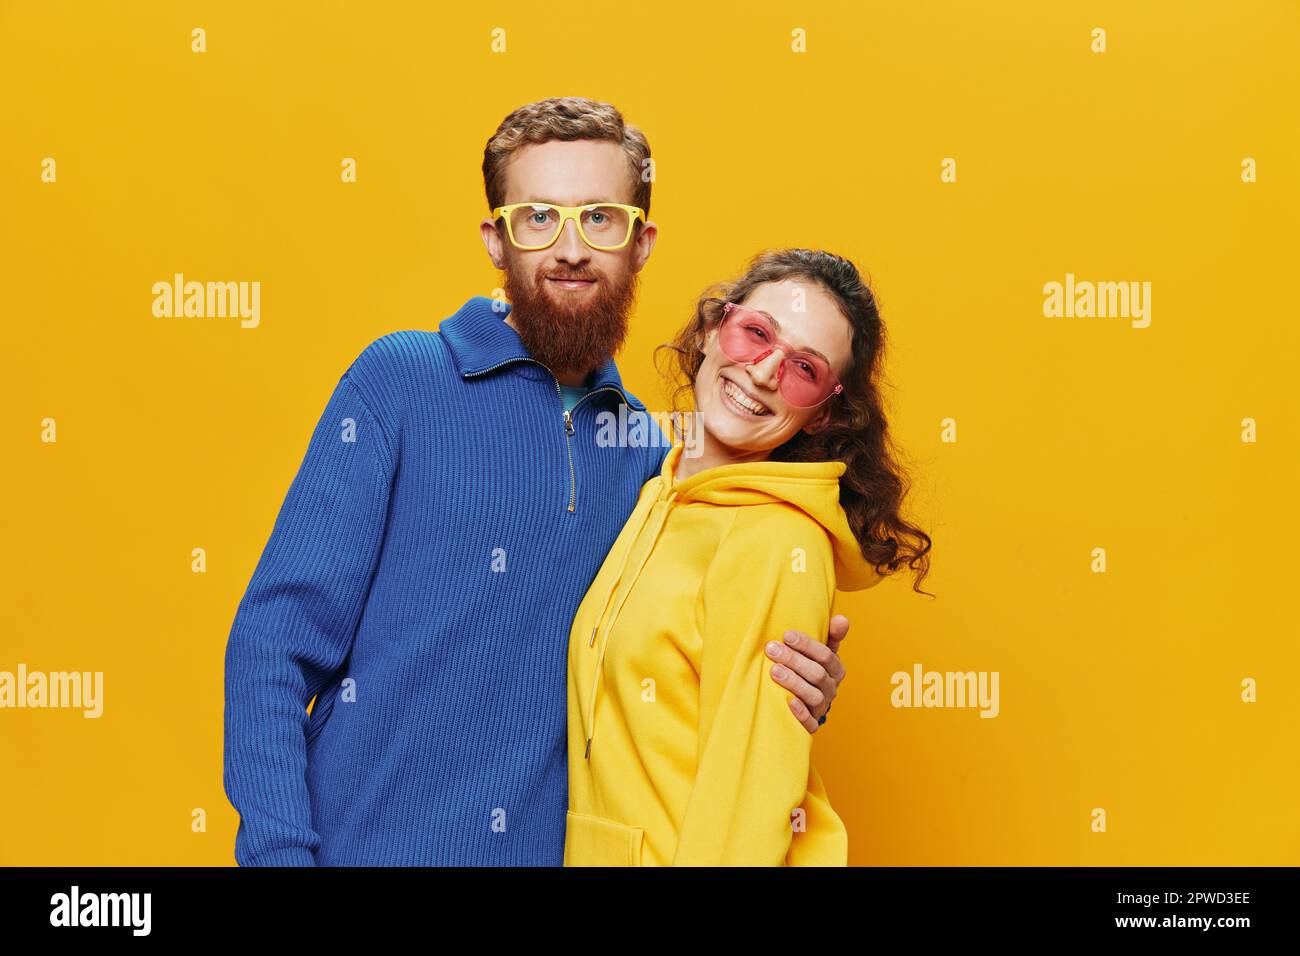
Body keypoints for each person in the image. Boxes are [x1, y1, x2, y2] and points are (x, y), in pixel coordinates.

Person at [222, 98, 860, 866]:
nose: (569, 249)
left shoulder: (653, 466)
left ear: (641, 243)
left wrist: (781, 687)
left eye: (600, 219)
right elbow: (272, 646)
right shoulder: (399, 383)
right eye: (537, 219)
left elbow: (676, 663)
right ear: (497, 240)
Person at [564, 250, 932, 866]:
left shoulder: (778, 542)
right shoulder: (658, 489)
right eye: (755, 334)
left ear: (827, 413)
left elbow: (749, 808)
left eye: (803, 369)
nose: (763, 373)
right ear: (713, 329)